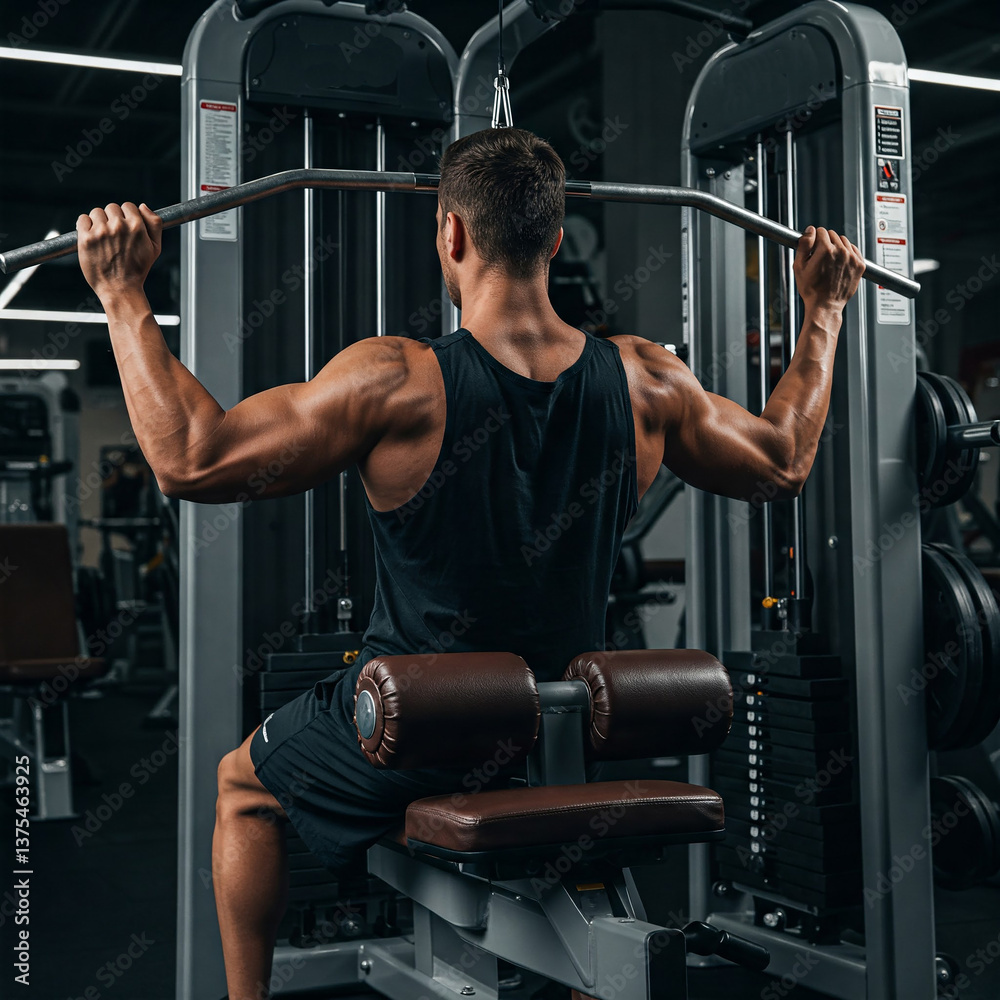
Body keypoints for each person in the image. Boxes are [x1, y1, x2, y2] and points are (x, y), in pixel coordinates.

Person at [76, 127, 865, 1000]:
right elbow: (784, 459)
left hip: (416, 737)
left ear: (450, 233)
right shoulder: (647, 381)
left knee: (242, 789)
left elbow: (190, 456)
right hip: (560, 732)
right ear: (556, 240)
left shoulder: (395, 379)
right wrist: (823, 310)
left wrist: (122, 293)